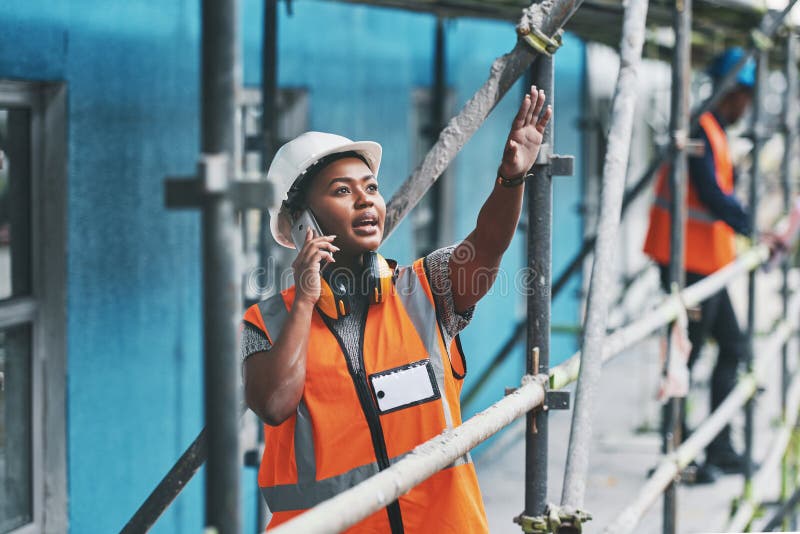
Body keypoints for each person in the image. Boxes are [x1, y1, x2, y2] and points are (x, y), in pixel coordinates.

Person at [240, 86, 552, 531]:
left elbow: (485, 248)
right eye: (342, 191)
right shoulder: (263, 325)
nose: (366, 199)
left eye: (371, 188)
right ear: (301, 223)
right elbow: (274, 403)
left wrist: (511, 177)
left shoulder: (427, 289)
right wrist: (306, 300)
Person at [643, 47, 756, 483]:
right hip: (684, 263)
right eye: (743, 97)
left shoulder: (711, 130)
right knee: (683, 361)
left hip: (705, 261)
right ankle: (677, 455)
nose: (745, 107)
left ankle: (718, 446)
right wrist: (748, 222)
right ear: (730, 92)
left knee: (733, 346)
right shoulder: (698, 130)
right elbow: (709, 193)